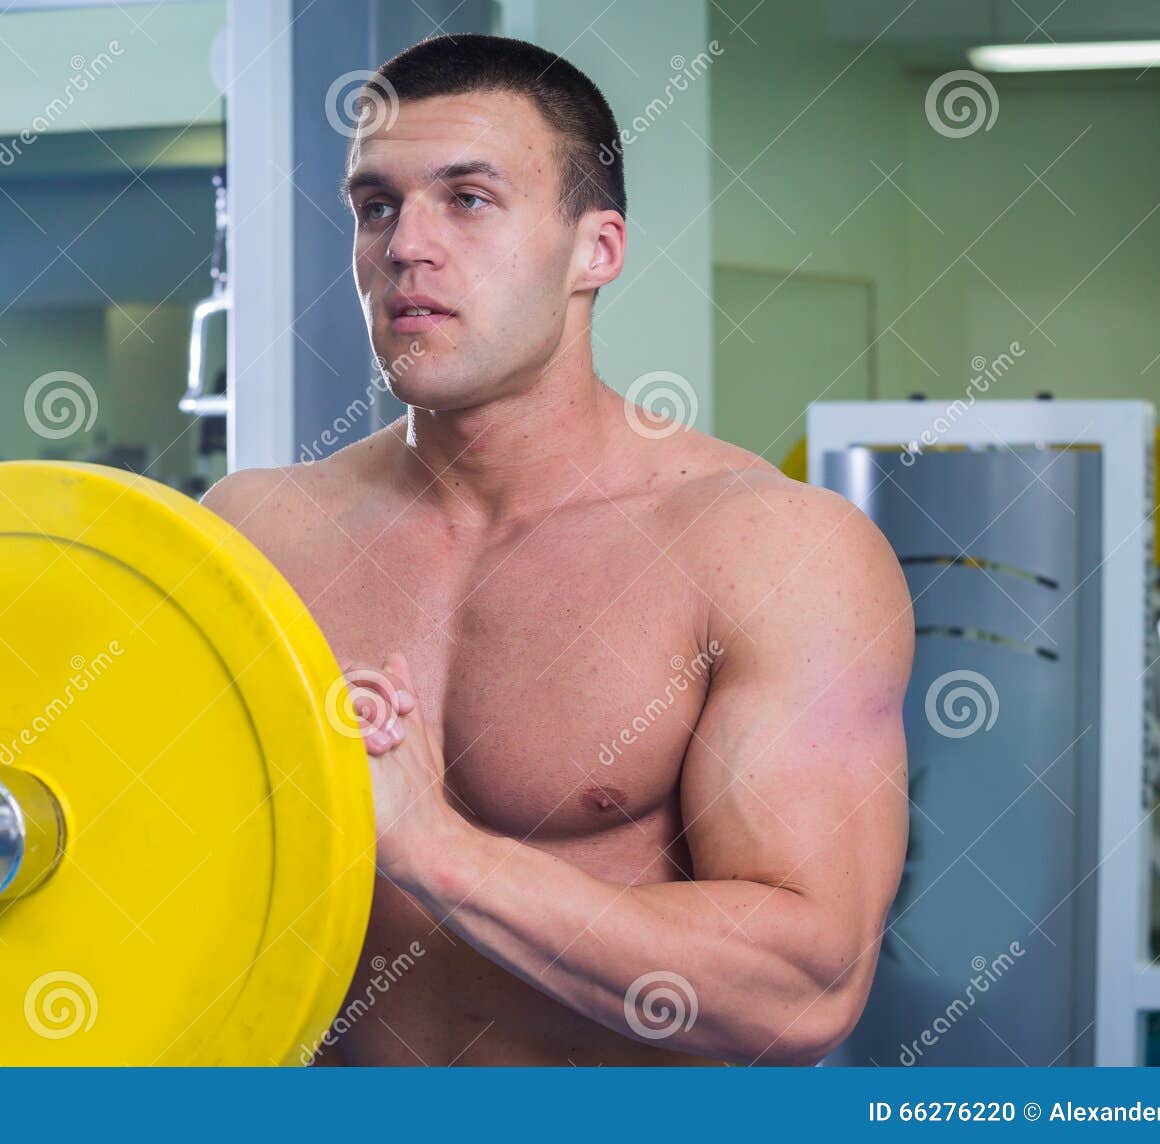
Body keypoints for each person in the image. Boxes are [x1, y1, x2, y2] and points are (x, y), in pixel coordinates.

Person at [202, 33, 912, 1066]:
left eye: (468, 199)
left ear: (597, 250)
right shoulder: (257, 534)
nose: (406, 246)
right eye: (377, 206)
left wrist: (439, 852)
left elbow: (805, 989)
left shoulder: (771, 550)